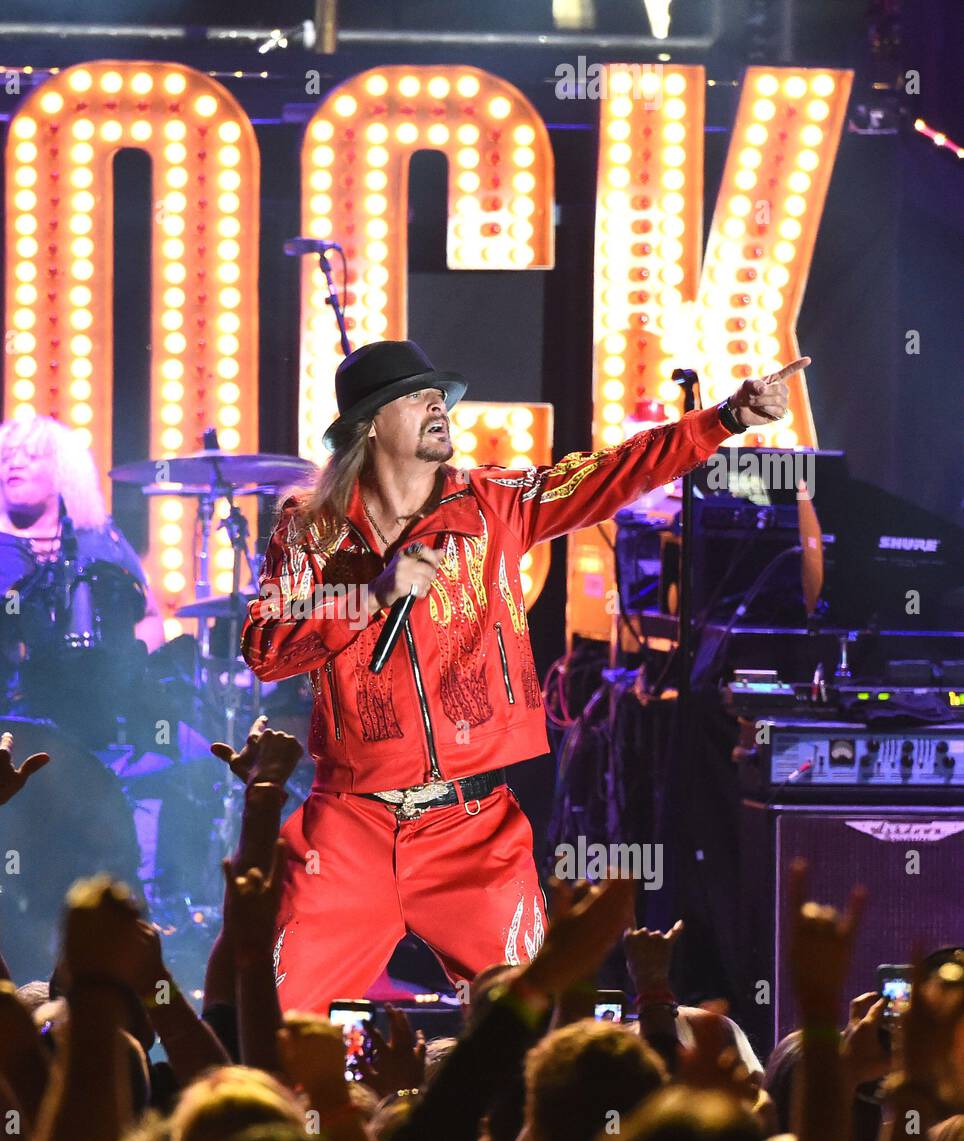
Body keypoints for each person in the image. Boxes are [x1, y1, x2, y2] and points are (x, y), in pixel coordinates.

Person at [238, 339, 811, 1013]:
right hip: (348, 827)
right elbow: (266, 645)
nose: (437, 406)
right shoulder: (311, 532)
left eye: (439, 395)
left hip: (472, 829)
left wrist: (725, 420)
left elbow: (615, 470)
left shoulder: (492, 506)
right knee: (274, 1029)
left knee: (531, 1026)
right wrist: (373, 595)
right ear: (369, 424)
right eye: (416, 397)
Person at [0, 414, 163, 649]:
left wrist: (126, 670)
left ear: (63, 471)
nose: (15, 464)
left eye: (31, 456)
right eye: (6, 458)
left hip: (85, 682)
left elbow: (149, 617)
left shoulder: (101, 539)